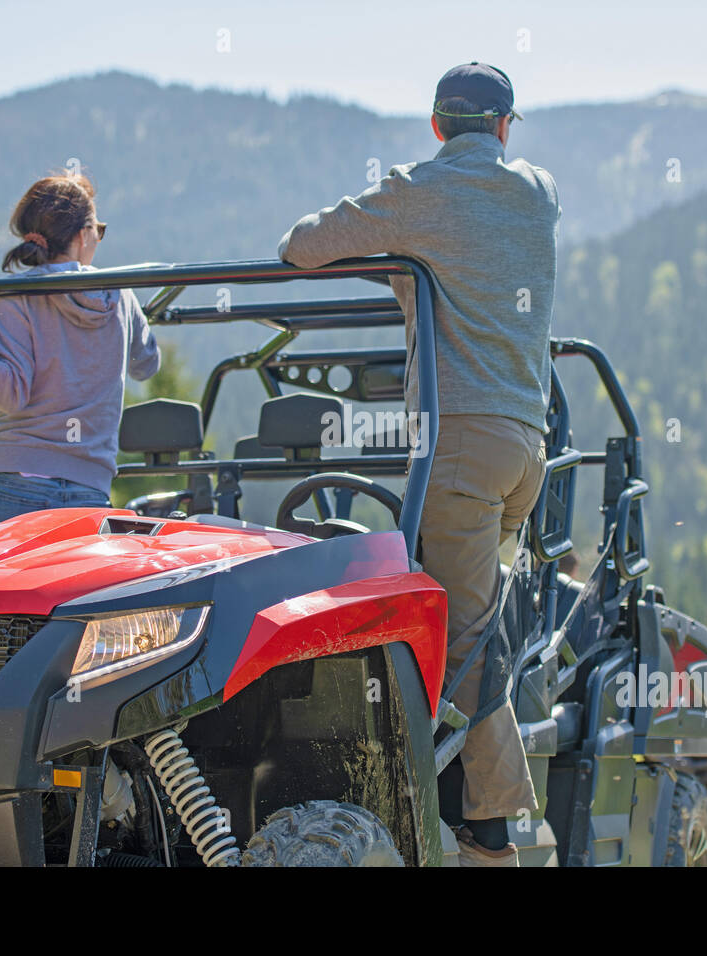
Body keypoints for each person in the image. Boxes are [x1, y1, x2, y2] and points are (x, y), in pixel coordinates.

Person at [278, 62, 557, 866]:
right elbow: (481, 254)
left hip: (459, 440)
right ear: (505, 126)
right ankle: (448, 798)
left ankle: (492, 833)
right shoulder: (537, 190)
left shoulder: (416, 191)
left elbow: (300, 248)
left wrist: (395, 248)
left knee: (460, 630)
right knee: (476, 619)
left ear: (437, 126)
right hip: (521, 444)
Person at [0, 171, 160, 528]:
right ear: (83, 236)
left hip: (11, 480)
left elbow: (11, 394)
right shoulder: (120, 294)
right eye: (98, 229)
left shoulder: (15, 294)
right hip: (88, 491)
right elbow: (147, 365)